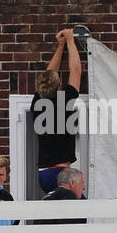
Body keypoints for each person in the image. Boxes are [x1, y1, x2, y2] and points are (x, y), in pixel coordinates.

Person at [34, 27, 83, 195]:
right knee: (80, 207)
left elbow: (49, 73)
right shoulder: (64, 101)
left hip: (43, 173)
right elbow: (76, 71)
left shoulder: (38, 101)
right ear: (59, 86)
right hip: (60, 173)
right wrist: (70, 40)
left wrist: (60, 45)